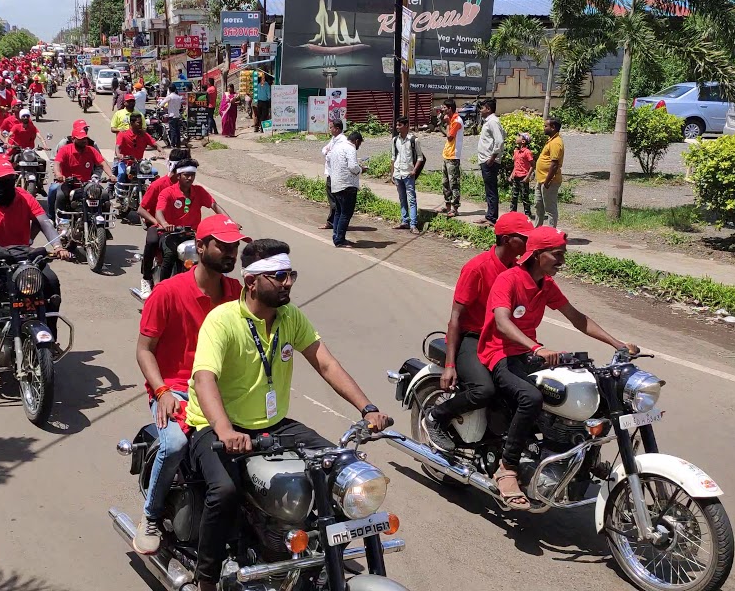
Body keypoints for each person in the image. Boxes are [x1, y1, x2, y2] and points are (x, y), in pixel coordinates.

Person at [184, 239, 392, 591]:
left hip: (274, 424)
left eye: (290, 275)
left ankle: (316, 553)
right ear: (252, 282)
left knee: (341, 466)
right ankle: (206, 579)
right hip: (218, 425)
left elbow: (325, 363)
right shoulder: (222, 321)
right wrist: (223, 430)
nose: (288, 283)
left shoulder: (290, 317)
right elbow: (205, 379)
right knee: (225, 492)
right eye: (279, 276)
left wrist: (368, 408)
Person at [478, 226, 636, 508]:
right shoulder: (509, 279)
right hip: (500, 353)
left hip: (528, 353)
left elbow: (577, 318)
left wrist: (618, 343)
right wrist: (537, 348)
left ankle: (576, 457)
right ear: (537, 254)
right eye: (557, 254)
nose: (562, 261)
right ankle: (507, 467)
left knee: (584, 392)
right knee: (531, 398)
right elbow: (502, 322)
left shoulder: (546, 285)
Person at [131, 215, 249, 555]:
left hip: (221, 391)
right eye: (223, 246)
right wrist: (163, 392)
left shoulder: (237, 295)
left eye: (235, 247)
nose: (231, 253)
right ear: (200, 247)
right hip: (176, 390)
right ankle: (150, 515)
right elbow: (144, 351)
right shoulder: (167, 293)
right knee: (173, 444)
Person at [421, 212, 533, 451]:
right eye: (524, 238)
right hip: (473, 339)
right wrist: (450, 365)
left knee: (533, 387)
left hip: (504, 341)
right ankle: (435, 417)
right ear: (506, 239)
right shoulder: (477, 268)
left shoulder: (520, 269)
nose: (528, 243)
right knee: (484, 390)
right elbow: (456, 318)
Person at [0, 158, 73, 341]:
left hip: (22, 259)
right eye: (0, 180)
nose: (5, 184)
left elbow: (44, 222)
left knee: (51, 281)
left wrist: (58, 246)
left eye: (10, 179)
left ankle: (50, 336)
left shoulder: (25, 197)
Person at [136, 150, 192, 299]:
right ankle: (146, 278)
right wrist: (158, 222)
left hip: (181, 228)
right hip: (159, 227)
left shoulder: (189, 188)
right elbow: (141, 209)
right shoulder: (158, 185)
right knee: (152, 241)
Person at [48, 119, 113, 216]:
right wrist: (58, 174)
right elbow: (57, 162)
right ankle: (54, 219)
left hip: (87, 183)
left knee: (104, 195)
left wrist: (111, 175)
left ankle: (103, 224)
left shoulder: (91, 148)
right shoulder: (64, 148)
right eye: (81, 138)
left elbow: (102, 163)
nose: (84, 141)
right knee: (57, 193)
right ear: (73, 139)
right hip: (68, 182)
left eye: (85, 138)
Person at [155, 159, 228, 235]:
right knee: (152, 240)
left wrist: (230, 222)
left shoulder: (199, 191)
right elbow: (159, 211)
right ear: (178, 176)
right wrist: (165, 224)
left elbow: (214, 205)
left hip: (194, 234)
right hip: (172, 234)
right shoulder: (167, 192)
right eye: (186, 175)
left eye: (192, 175)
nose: (190, 178)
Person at [328, 129, 363, 248]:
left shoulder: (337, 147)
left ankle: (336, 236)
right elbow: (353, 166)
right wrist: (361, 169)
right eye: (359, 143)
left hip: (336, 184)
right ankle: (340, 240)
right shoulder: (351, 148)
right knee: (346, 213)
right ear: (356, 141)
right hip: (347, 185)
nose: (359, 146)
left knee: (338, 211)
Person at [390, 116, 425, 232]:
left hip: (408, 173)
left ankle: (413, 224)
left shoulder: (413, 140)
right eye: (397, 125)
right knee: (402, 198)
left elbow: (420, 157)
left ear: (406, 126)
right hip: (398, 173)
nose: (397, 127)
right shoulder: (395, 140)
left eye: (399, 125)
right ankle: (405, 221)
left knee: (411, 199)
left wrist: (414, 170)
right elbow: (393, 157)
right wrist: (392, 174)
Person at [475, 99, 505, 227]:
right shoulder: (490, 121)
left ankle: (492, 218)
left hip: (489, 161)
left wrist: (492, 157)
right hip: (485, 159)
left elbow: (500, 141)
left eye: (482, 108)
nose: (480, 111)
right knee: (489, 189)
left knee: (491, 189)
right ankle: (489, 215)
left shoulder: (493, 122)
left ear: (488, 109)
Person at [535, 118, 564, 228]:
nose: (544, 128)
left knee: (550, 209)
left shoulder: (556, 143)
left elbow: (554, 164)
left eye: (545, 126)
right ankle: (537, 230)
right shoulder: (551, 140)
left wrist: (547, 181)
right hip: (541, 180)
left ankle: (551, 234)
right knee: (538, 206)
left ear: (553, 128)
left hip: (549, 181)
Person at [115, 110, 157, 180]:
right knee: (121, 174)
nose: (141, 125)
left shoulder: (144, 134)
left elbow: (154, 144)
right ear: (132, 123)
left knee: (154, 172)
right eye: (138, 123)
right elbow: (118, 146)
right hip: (125, 163)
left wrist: (162, 151)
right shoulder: (123, 134)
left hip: (139, 164)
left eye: (141, 123)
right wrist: (119, 154)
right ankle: (120, 190)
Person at [319, 119, 345, 230]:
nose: (330, 130)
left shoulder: (342, 141)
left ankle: (334, 222)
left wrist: (328, 153)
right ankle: (334, 222)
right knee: (332, 199)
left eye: (331, 127)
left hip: (336, 174)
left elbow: (331, 156)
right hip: (330, 172)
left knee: (335, 200)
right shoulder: (334, 139)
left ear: (337, 128)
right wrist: (327, 152)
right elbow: (324, 150)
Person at [442, 101, 463, 218]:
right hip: (446, 154)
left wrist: (447, 122)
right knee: (445, 183)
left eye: (445, 108)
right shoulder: (451, 120)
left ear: (450, 109)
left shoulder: (456, 121)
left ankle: (455, 208)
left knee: (453, 183)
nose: (443, 109)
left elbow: (450, 137)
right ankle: (448, 206)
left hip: (453, 156)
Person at [509, 133, 534, 215]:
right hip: (516, 177)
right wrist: (512, 174)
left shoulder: (527, 152)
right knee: (514, 196)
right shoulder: (516, 152)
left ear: (523, 141)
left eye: (519, 137)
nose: (517, 137)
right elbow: (516, 165)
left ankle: (527, 214)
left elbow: (533, 165)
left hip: (523, 177)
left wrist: (527, 176)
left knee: (525, 197)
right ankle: (512, 214)